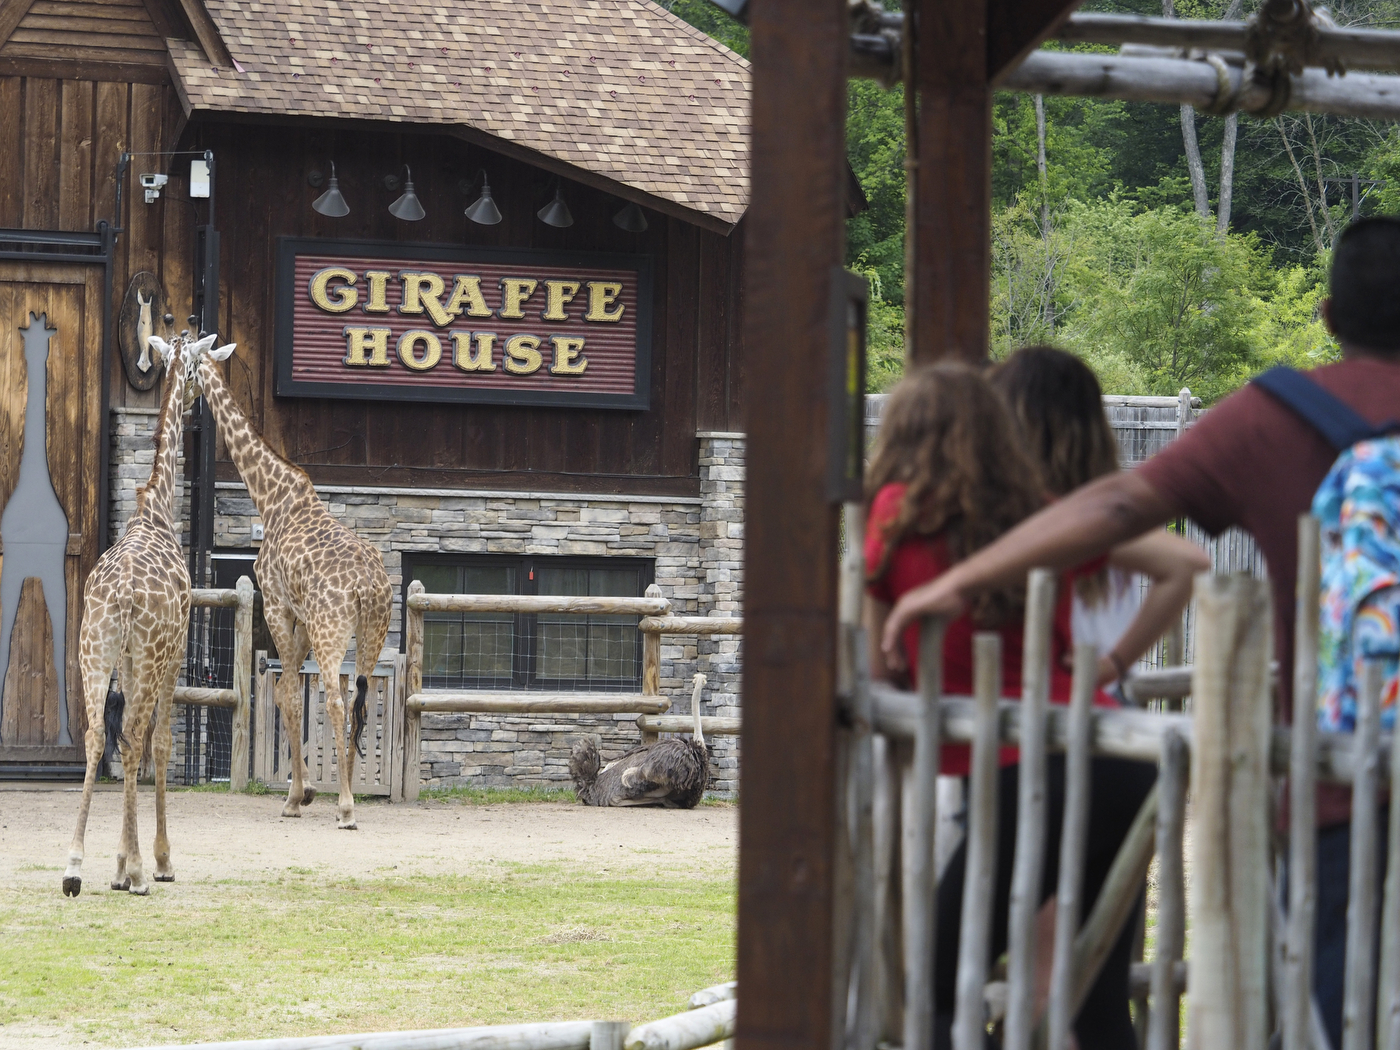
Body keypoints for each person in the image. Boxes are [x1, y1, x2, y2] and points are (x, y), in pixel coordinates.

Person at [881, 216, 1400, 1050]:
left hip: (1337, 792)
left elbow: (1120, 505)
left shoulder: (1274, 415)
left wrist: (956, 579)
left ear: (1330, 315)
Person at [862, 363, 1202, 1049]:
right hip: (1119, 761)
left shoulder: (896, 514)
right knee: (1092, 997)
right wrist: (1111, 665)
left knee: (934, 991)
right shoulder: (1040, 514)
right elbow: (1186, 563)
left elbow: (880, 667)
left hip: (1031, 773)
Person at [989, 345, 1207, 691]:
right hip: (1084, 706)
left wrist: (1112, 665)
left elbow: (1188, 564)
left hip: (1052, 710)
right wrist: (1116, 664)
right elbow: (1186, 566)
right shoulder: (1114, 513)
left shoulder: (1032, 517)